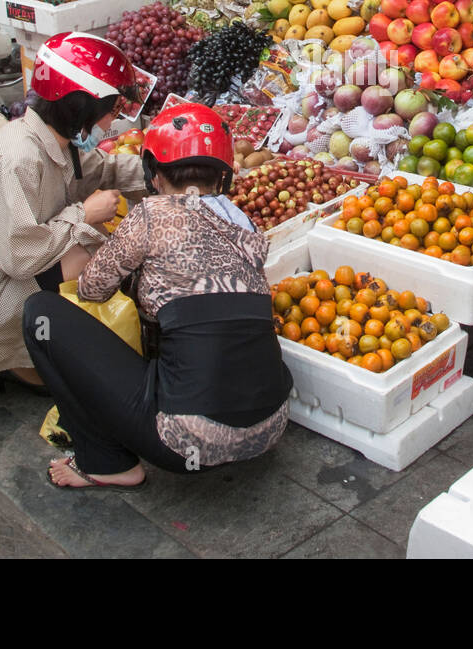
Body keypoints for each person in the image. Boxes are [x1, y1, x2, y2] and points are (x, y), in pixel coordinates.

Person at [23, 102, 291, 490]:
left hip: (184, 445)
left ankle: (106, 461)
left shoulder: (150, 215)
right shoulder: (243, 224)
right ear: (224, 177)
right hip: (271, 426)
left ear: (153, 173)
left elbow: (91, 289)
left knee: (39, 313)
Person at [0, 32, 147, 390]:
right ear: (81, 105)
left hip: (4, 272)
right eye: (112, 109)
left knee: (94, 246)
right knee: (88, 255)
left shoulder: (51, 138)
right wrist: (83, 215)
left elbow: (102, 169)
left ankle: (38, 342)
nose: (111, 123)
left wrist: (161, 172)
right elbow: (21, 253)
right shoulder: (18, 158)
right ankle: (23, 354)